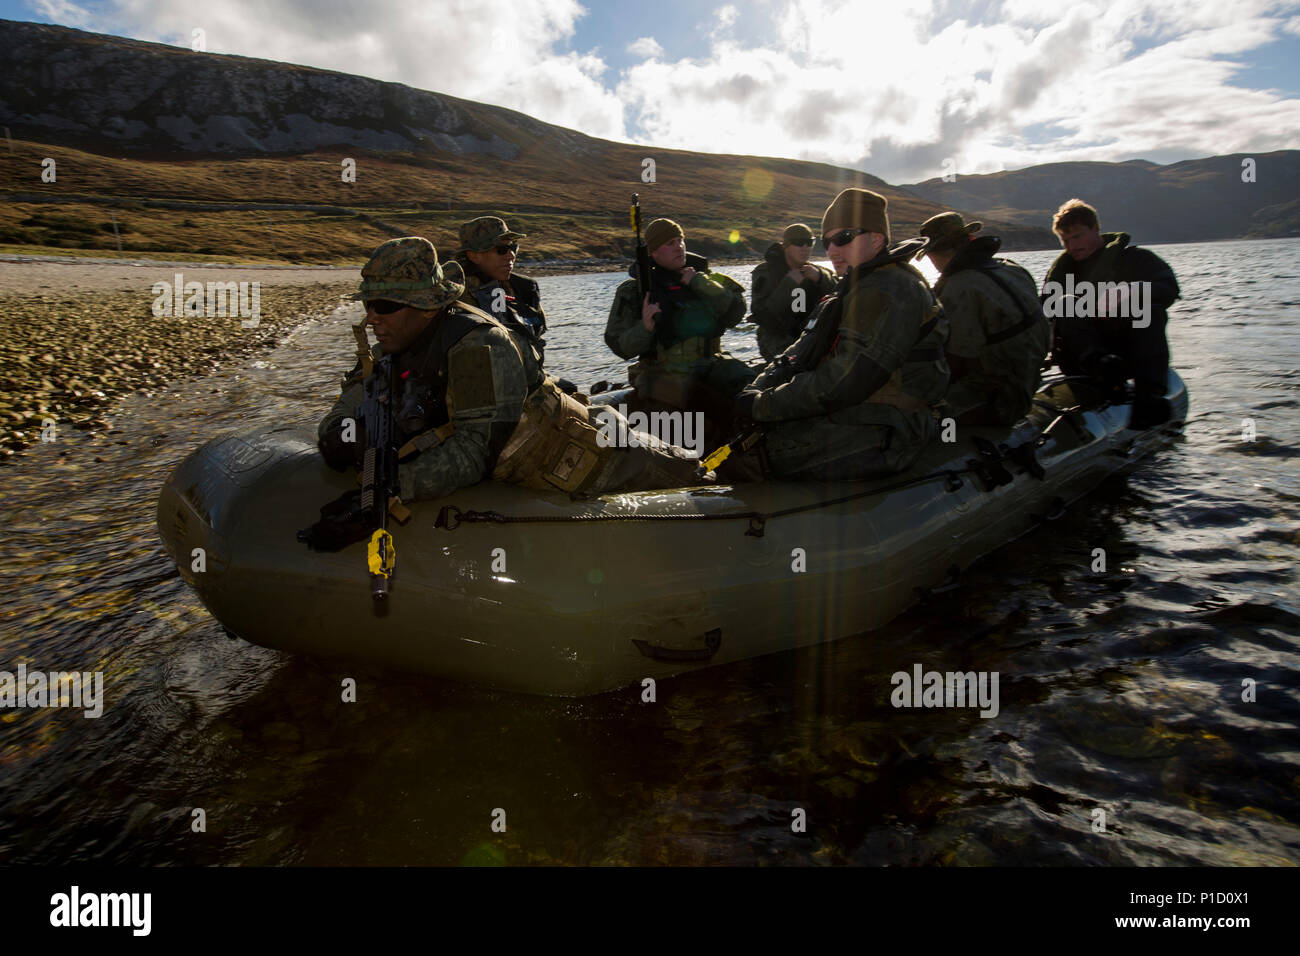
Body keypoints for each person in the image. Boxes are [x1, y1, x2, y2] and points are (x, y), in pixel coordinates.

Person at [301, 238, 703, 550]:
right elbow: (349, 404)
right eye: (370, 304)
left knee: (692, 476)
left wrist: (389, 487)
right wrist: (343, 435)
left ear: (425, 309)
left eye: (385, 305)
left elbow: (474, 450)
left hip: (592, 455)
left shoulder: (478, 347)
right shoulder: (387, 350)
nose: (371, 317)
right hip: (522, 467)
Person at [724, 188, 948, 482]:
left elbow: (843, 382)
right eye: (827, 241)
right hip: (857, 411)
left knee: (749, 457)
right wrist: (757, 389)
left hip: (890, 425)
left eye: (843, 238)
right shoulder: (848, 288)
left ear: (877, 238)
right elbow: (797, 352)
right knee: (738, 435)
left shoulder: (888, 289)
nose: (831, 250)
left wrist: (762, 405)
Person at [604, 218, 751, 430]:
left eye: (680, 240)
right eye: (670, 243)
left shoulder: (706, 278)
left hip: (711, 365)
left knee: (751, 394)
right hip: (663, 374)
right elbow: (620, 347)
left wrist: (700, 283)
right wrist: (644, 328)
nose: (679, 247)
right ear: (654, 252)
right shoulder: (633, 292)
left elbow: (736, 312)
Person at [1044, 198, 1178, 429]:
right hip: (1086, 359)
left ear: (1095, 229)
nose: (1072, 246)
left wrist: (1132, 290)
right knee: (1064, 303)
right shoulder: (1061, 273)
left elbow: (1168, 290)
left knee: (1150, 311)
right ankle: (1102, 369)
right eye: (1065, 240)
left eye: (1077, 236)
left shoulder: (1136, 259)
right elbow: (1044, 312)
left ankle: (1149, 396)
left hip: (1128, 351)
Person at [918, 212, 1049, 425]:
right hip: (1027, 381)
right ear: (970, 240)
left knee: (914, 415)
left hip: (1001, 398)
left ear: (935, 254)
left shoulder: (959, 288)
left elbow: (957, 361)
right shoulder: (1012, 269)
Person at [452, 215, 548, 363]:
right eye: (501, 250)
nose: (511, 255)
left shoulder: (525, 288)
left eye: (513, 247)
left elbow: (537, 337)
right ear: (474, 256)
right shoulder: (453, 296)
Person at [749, 223, 837, 361]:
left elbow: (842, 293)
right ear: (786, 246)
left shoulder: (817, 272)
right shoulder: (766, 273)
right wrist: (788, 285)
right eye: (799, 243)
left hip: (810, 334)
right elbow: (761, 313)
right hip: (778, 337)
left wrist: (821, 278)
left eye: (809, 243)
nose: (805, 248)